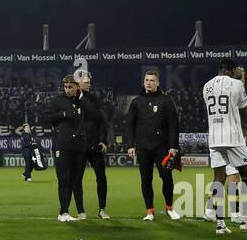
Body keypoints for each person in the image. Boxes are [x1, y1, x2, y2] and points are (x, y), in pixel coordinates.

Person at [203, 60, 247, 235]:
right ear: (232, 70)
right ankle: (246, 221)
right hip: (233, 137)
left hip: (214, 137)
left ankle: (220, 224)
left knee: (219, 179)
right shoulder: (236, 84)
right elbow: (244, 112)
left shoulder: (206, 86)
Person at [125, 68, 182, 221]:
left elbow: (173, 125)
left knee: (166, 177)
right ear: (143, 82)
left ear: (157, 83)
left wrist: (173, 146)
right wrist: (131, 145)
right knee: (146, 179)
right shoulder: (136, 102)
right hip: (143, 147)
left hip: (161, 147)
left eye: (152, 80)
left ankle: (170, 208)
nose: (149, 83)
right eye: (146, 80)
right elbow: (130, 125)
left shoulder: (166, 100)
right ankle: (149, 211)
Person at [39, 75, 87, 222]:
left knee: (75, 180)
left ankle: (77, 210)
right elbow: (45, 118)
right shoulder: (57, 101)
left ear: (77, 87)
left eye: (70, 87)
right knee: (63, 179)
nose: (67, 90)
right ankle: (63, 212)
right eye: (65, 87)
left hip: (79, 145)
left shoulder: (83, 102)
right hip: (62, 144)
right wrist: (62, 114)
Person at [76, 70, 112, 219]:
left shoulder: (93, 99)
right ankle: (81, 211)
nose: (89, 85)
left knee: (101, 177)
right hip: (78, 146)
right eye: (86, 82)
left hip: (94, 145)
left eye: (90, 82)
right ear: (78, 83)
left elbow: (101, 121)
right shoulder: (71, 99)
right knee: (77, 179)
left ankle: (102, 209)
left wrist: (103, 140)